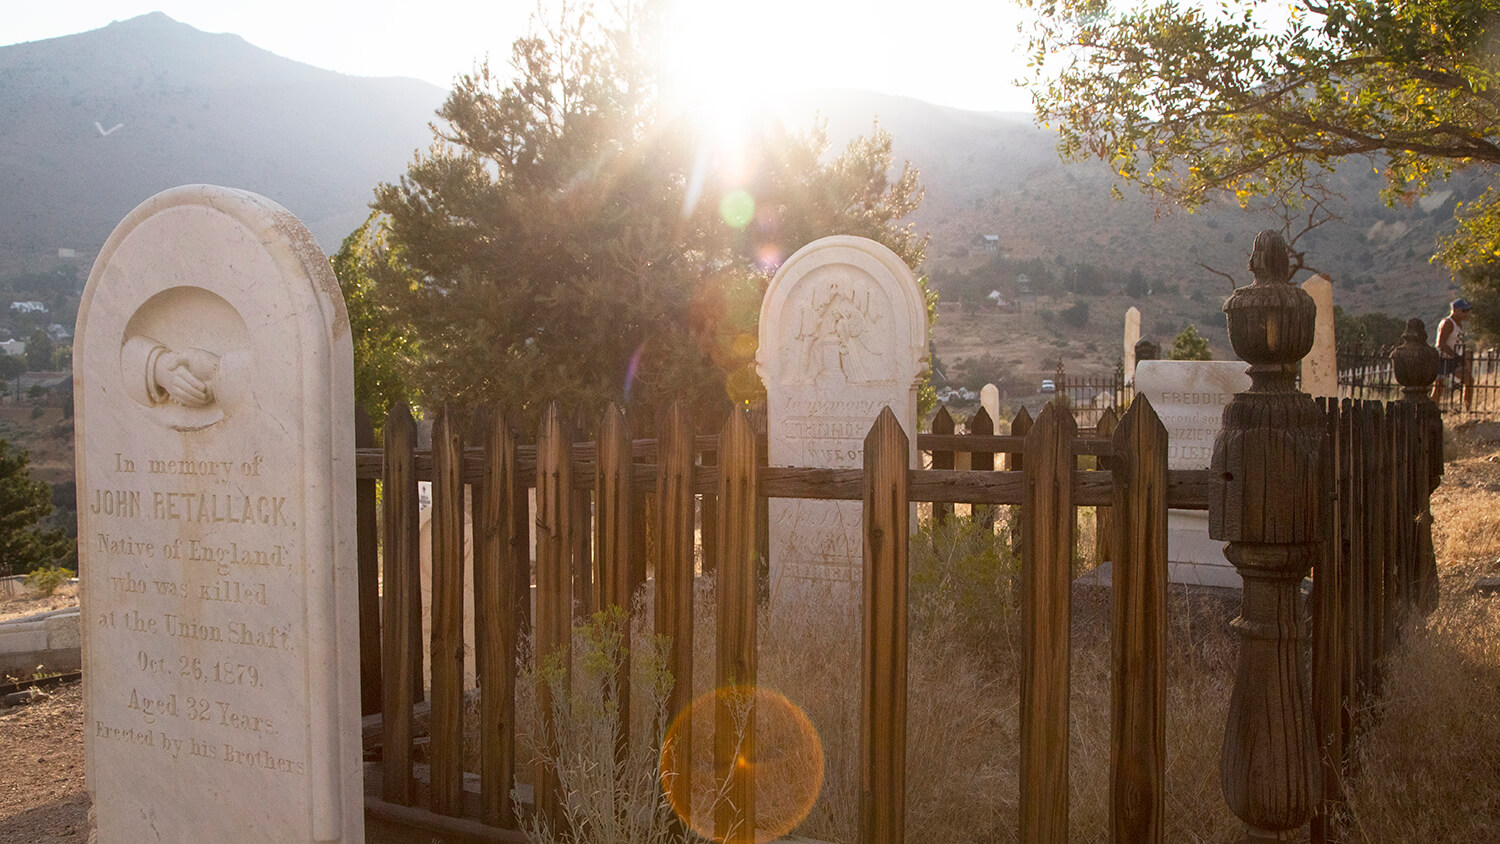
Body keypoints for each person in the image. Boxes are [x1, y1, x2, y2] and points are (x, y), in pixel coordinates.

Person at [1432, 298, 1471, 404]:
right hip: (1442, 359)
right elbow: (1441, 344)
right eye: (1464, 311)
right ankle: (1430, 410)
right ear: (1455, 310)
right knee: (1439, 388)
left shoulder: (1458, 324)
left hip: (1453, 358)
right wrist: (1456, 357)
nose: (1466, 314)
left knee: (1469, 381)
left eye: (1467, 311)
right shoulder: (1447, 323)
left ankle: (1467, 410)